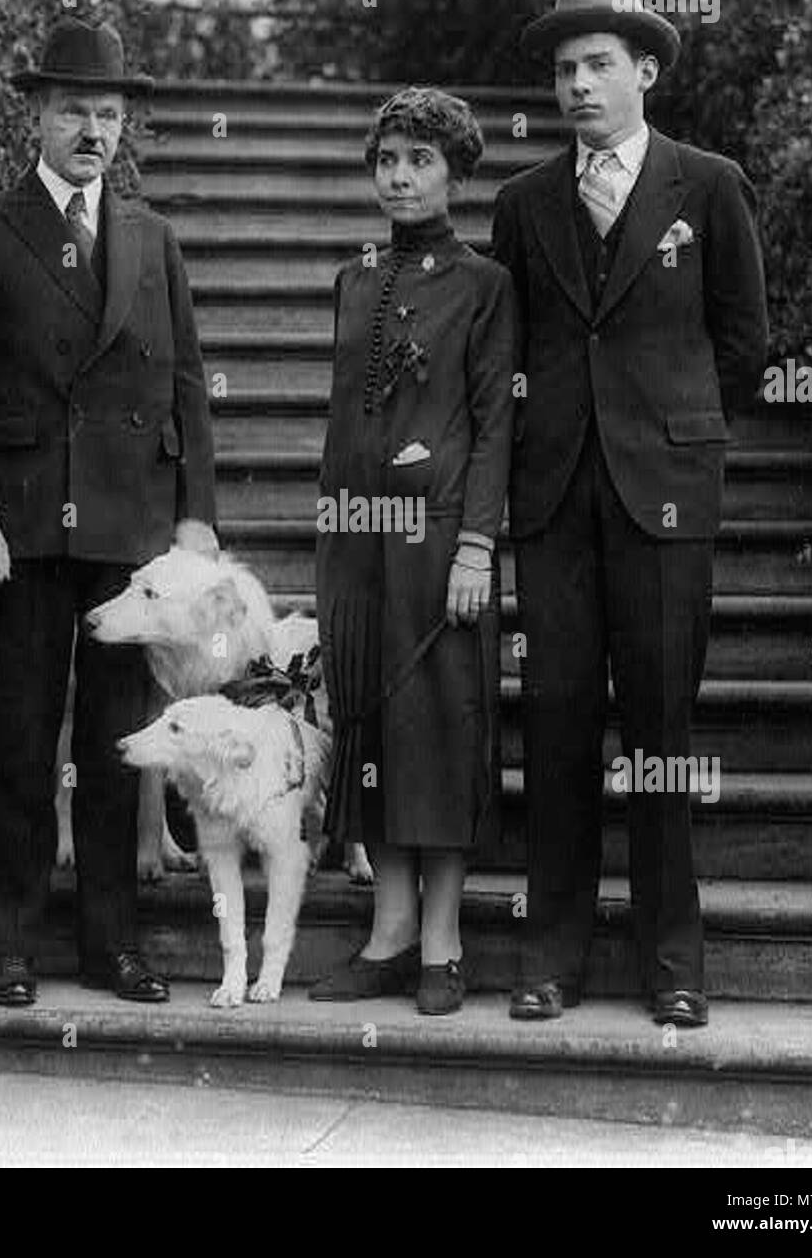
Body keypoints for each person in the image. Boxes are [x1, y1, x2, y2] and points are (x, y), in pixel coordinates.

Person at [493, 0, 768, 1028]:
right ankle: (550, 957)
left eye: (597, 64)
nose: (576, 85)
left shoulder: (707, 185)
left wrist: (671, 429)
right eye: (563, 69)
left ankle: (671, 961)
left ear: (644, 71)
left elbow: (741, 343)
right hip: (555, 495)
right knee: (557, 722)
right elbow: (515, 349)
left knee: (657, 726)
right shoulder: (521, 204)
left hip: (663, 496)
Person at [0, 18, 216, 1007]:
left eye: (107, 113)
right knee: (19, 738)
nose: (91, 130)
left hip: (127, 531)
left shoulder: (150, 238)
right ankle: (11, 943)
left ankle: (110, 944)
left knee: (112, 742)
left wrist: (195, 521)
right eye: (72, 112)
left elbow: (184, 384)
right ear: (38, 117)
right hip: (19, 526)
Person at [310, 87, 515, 1016]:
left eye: (420, 160)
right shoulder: (354, 281)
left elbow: (493, 424)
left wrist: (476, 543)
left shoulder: (485, 286)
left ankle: (443, 943)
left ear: (456, 173)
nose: (399, 176)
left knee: (439, 728)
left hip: (440, 544)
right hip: (357, 548)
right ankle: (388, 934)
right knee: (373, 733)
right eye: (388, 159)